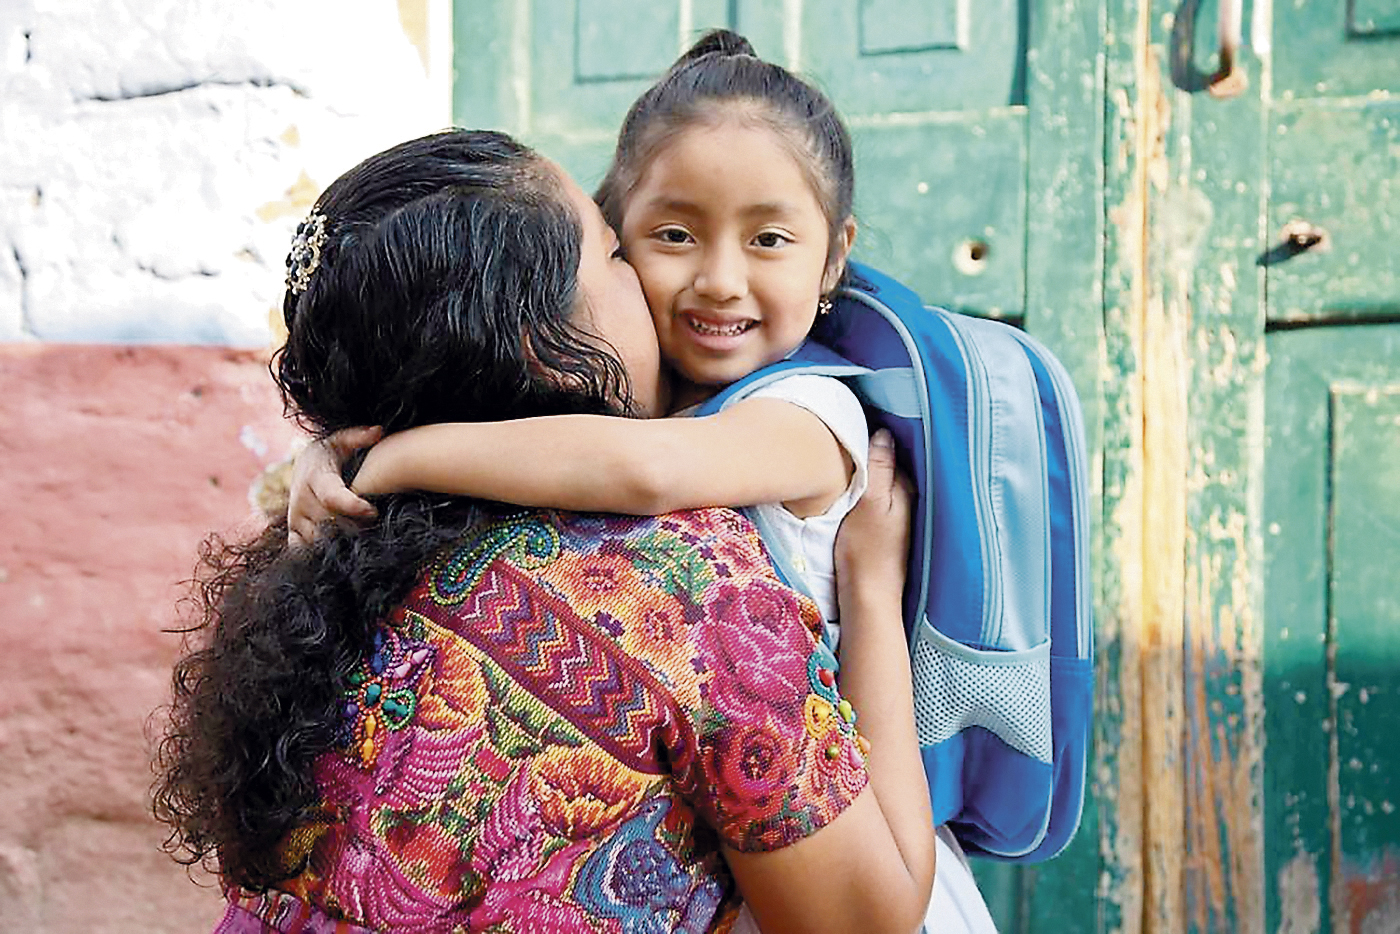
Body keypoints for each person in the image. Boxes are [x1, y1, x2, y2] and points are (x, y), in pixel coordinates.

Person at [288, 30, 1000, 934]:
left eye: (771, 239)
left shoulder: (810, 411)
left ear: (833, 259)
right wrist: (319, 460)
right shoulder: (634, 406)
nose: (719, 280)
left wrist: (395, 456)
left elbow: (647, 472)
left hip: (856, 837)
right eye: (664, 239)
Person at [151, 128, 935, 934]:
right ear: (545, 348)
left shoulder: (329, 547)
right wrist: (872, 589)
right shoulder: (682, 592)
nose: (686, 288)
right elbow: (867, 919)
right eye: (619, 254)